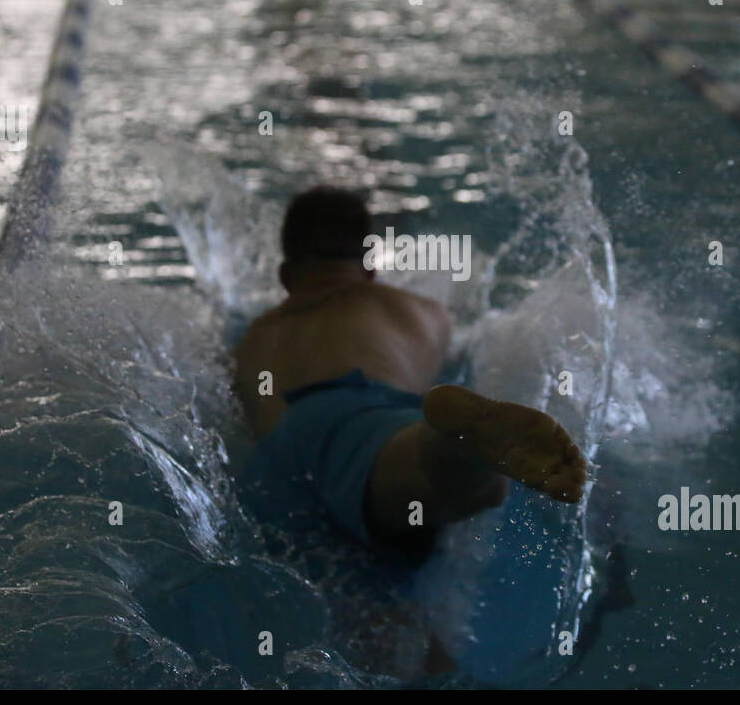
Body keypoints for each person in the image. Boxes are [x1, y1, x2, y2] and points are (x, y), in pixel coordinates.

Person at [234, 186, 585, 561]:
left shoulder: (253, 337)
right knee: (413, 471)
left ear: (286, 275)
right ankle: (458, 451)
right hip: (358, 422)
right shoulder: (416, 311)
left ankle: (456, 452)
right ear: (370, 265)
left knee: (319, 564)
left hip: (273, 464)